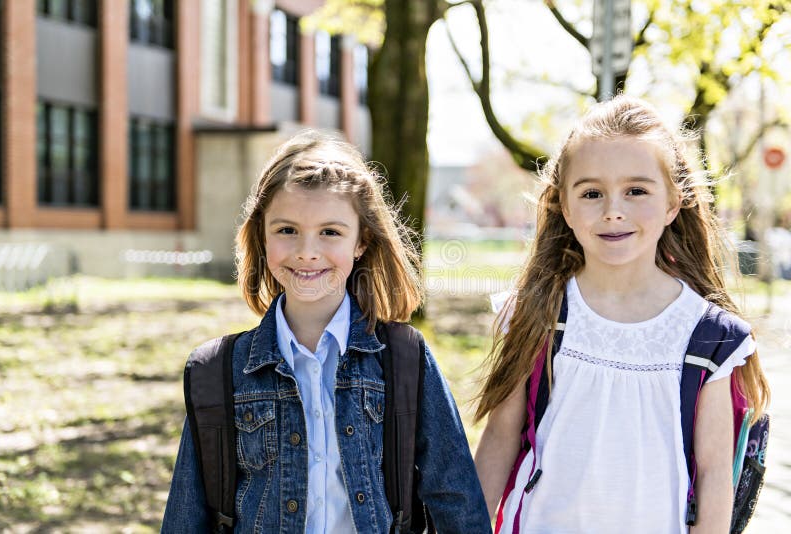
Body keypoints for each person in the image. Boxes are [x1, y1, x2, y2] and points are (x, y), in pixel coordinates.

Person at [162, 131, 491, 533]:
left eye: (330, 232)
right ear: (262, 236)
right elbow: (185, 516)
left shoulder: (404, 359)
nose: (307, 251)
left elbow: (456, 499)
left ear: (361, 241)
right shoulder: (218, 371)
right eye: (287, 230)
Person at [473, 96, 770, 533]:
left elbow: (712, 474)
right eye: (592, 193)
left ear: (673, 203)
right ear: (565, 208)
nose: (614, 209)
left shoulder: (710, 338)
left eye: (637, 190)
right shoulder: (537, 312)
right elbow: (499, 438)